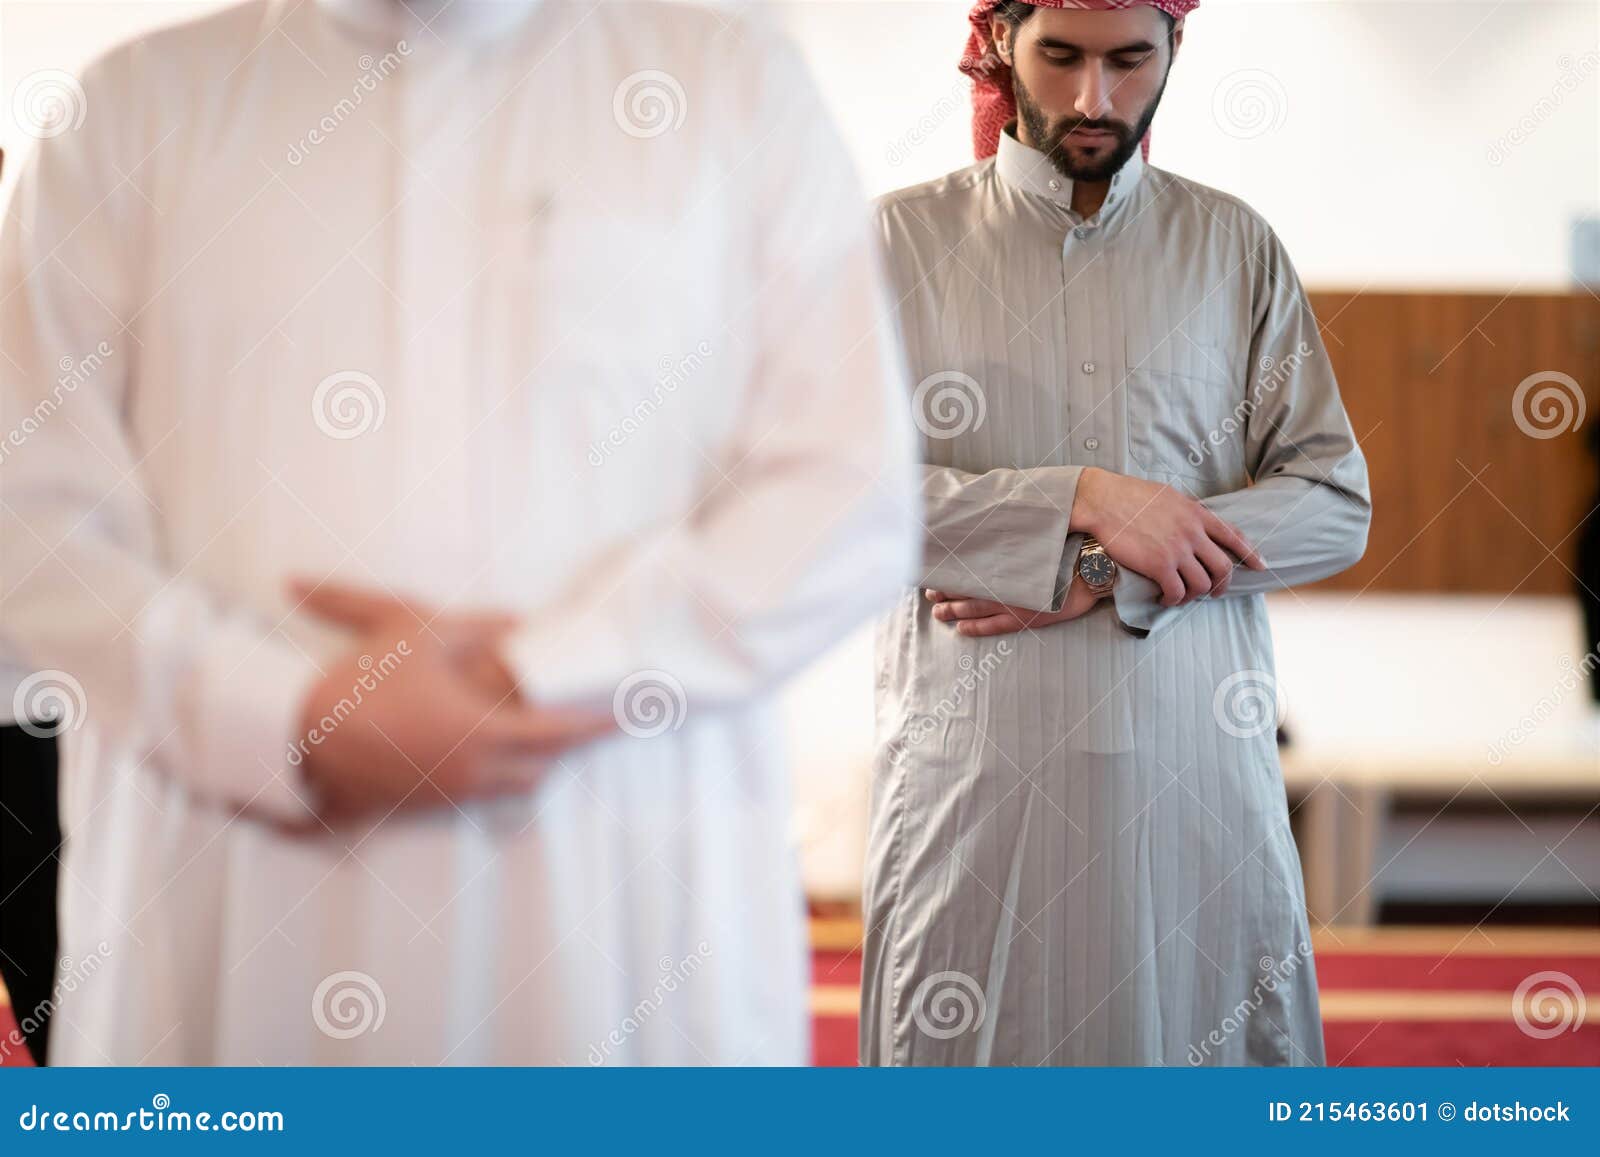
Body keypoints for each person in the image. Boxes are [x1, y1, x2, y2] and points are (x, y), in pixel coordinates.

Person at [0, 0, 917, 1064]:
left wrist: (538, 675)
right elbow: (30, 518)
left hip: (617, 909)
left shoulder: (734, 84)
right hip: (229, 905)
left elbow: (843, 492)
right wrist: (282, 714)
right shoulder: (128, 112)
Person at [862, 0, 1371, 1065]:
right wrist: (1083, 495)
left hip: (1193, 773)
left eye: (1130, 60)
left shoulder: (1233, 247)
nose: (1095, 98)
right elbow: (836, 500)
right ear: (999, 44)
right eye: (1061, 56)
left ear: (1176, 47)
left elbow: (1332, 503)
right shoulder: (893, 244)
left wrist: (1101, 568)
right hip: (977, 783)